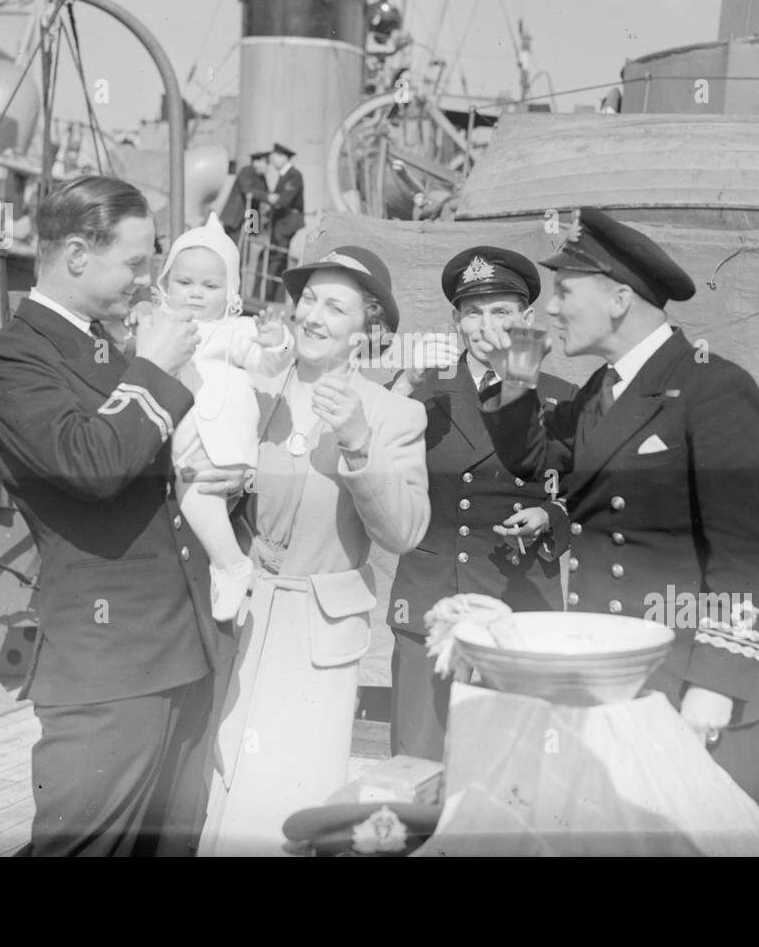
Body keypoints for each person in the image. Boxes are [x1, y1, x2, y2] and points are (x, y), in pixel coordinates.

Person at [477, 208, 759, 802]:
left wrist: (715, 684)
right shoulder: (603, 388)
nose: (549, 308)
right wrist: (515, 372)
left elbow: (751, 554)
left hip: (691, 684)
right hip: (616, 678)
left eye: (564, 291)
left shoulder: (712, 387)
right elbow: (535, 462)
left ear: (619, 300)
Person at [0, 175, 237, 856]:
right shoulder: (9, 359)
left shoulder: (104, 346)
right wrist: (156, 366)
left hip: (182, 654)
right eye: (138, 261)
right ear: (79, 255)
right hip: (108, 670)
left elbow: (133, 461)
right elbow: (90, 464)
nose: (150, 279)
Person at [199, 245, 430, 855]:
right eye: (307, 299)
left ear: (369, 329)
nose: (312, 315)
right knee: (220, 788)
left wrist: (358, 444)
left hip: (317, 639)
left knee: (286, 806)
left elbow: (405, 532)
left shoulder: (394, 415)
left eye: (335, 305)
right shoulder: (251, 387)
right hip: (239, 620)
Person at [387, 246, 576, 762]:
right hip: (430, 597)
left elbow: (590, 496)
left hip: (521, 598)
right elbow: (371, 458)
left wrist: (548, 516)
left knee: (514, 765)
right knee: (417, 761)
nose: (485, 324)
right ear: (455, 320)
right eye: (473, 312)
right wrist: (402, 390)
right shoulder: (424, 389)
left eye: (500, 311)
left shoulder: (560, 397)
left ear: (526, 319)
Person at [155, 213, 294, 621]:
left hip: (217, 436)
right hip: (183, 436)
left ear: (229, 292)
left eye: (210, 286)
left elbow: (267, 364)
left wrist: (276, 342)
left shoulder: (233, 330)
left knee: (196, 492)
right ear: (166, 283)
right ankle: (220, 567)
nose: (196, 294)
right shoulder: (159, 325)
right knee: (192, 497)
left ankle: (231, 564)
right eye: (184, 283)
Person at [264, 142, 304, 297]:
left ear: (284, 157)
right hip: (278, 222)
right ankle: (272, 295)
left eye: (275, 157)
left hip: (286, 222)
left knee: (277, 257)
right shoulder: (283, 176)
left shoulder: (293, 175)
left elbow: (284, 200)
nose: (272, 161)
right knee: (276, 258)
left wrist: (274, 200)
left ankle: (271, 295)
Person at [219, 150, 270, 242]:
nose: (267, 166)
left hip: (251, 215)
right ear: (256, 162)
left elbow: (266, 192)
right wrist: (267, 197)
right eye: (265, 163)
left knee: (247, 244)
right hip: (236, 215)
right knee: (231, 242)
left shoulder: (261, 177)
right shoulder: (246, 171)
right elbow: (247, 190)